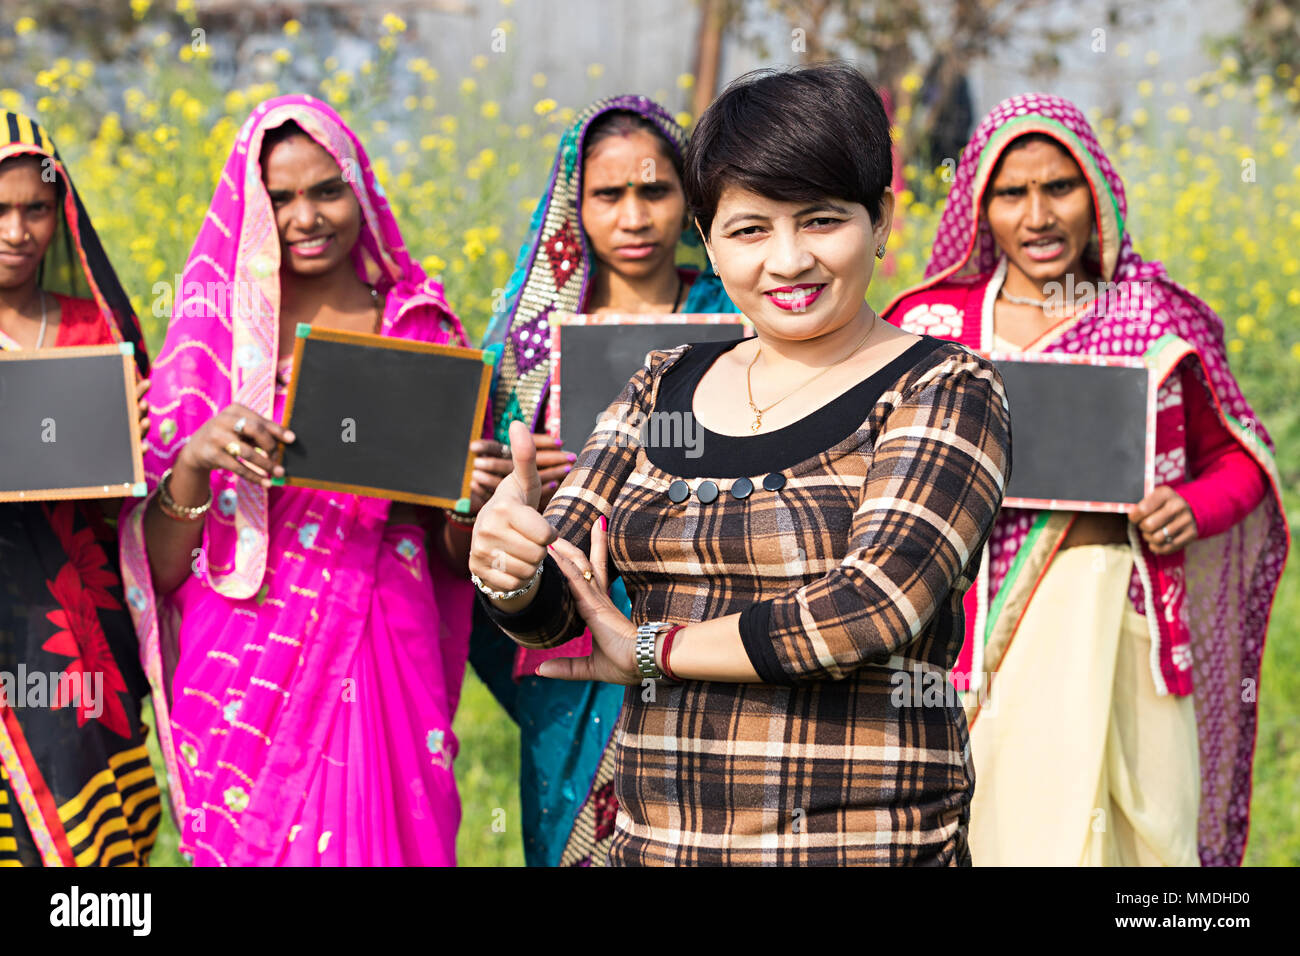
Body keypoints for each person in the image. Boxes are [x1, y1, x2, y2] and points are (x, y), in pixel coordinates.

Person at [469, 65, 1011, 866]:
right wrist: (510, 563)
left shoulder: (941, 386)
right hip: (659, 845)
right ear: (709, 238)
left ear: (882, 219)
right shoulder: (665, 383)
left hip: (859, 845)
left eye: (822, 220)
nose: (788, 260)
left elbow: (871, 606)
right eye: (750, 229)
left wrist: (653, 650)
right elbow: (561, 600)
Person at [883, 92, 1288, 866]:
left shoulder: (1156, 321)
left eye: (1059, 188)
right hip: (955, 645)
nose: (1037, 216)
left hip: (1117, 634)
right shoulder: (932, 324)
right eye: (1012, 194)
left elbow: (1238, 462)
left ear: (1098, 192)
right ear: (979, 208)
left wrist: (1192, 508)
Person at [117, 95, 475, 866]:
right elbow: (162, 564)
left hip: (381, 636)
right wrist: (192, 464)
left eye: (327, 189)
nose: (306, 216)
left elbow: (454, 555)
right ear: (251, 203)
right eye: (280, 197)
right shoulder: (207, 344)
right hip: (240, 648)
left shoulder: (419, 327)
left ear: (362, 191)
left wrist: (467, 497)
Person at [467, 94, 734, 867]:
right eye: (609, 195)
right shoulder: (527, 347)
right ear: (573, 207)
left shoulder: (739, 315)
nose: (635, 215)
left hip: (705, 621)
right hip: (569, 631)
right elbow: (479, 539)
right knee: (569, 836)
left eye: (655, 190)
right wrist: (498, 494)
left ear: (689, 195)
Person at [0, 111, 158, 866]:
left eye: (36, 208)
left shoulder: (96, 330)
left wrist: (137, 437)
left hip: (80, 633)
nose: (18, 230)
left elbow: (131, 501)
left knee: (95, 851)